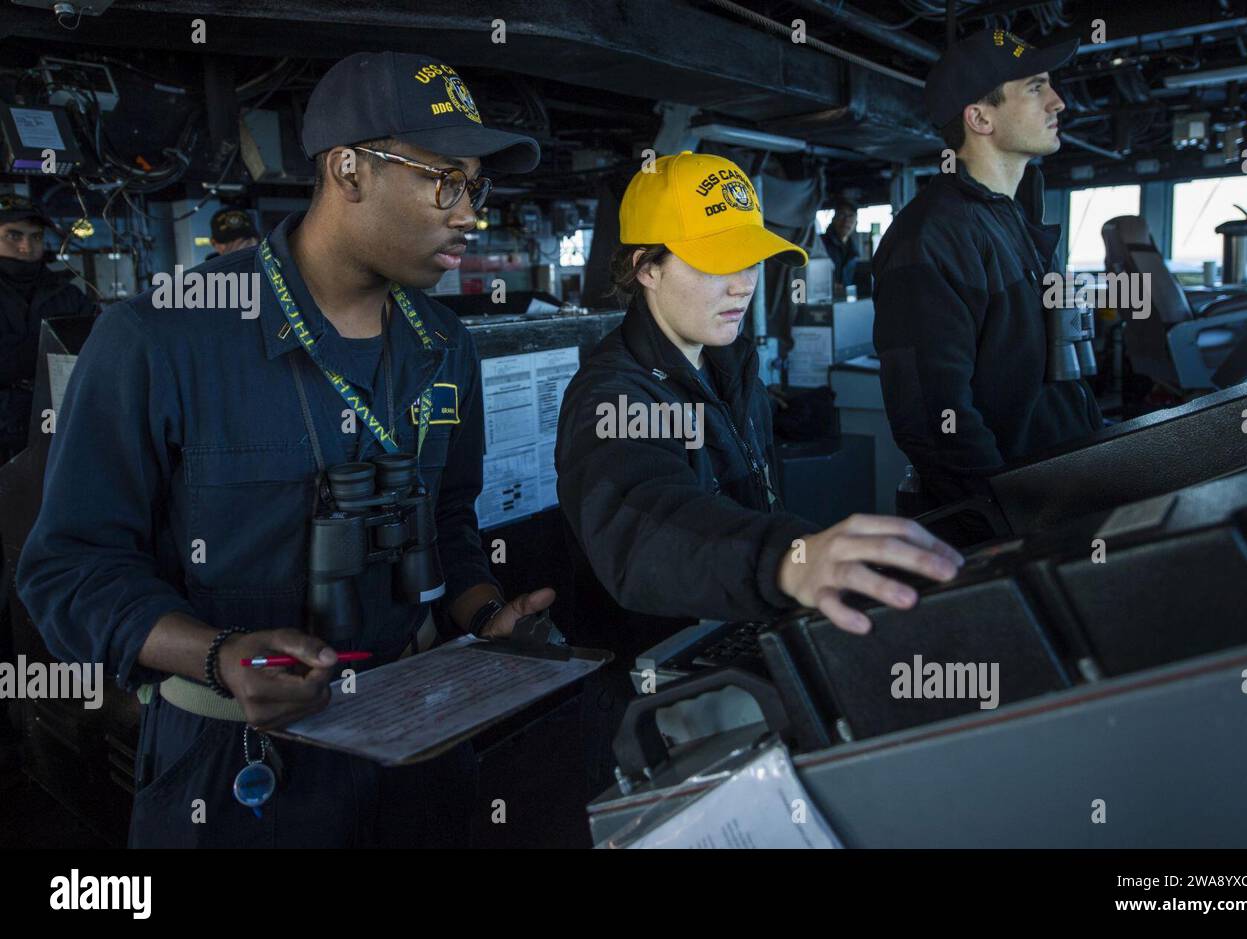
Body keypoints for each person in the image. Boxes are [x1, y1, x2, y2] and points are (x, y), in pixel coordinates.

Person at [18, 51, 549, 848]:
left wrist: (483, 614)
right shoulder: (162, 337)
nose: (469, 213)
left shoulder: (445, 345)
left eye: (477, 186)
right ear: (348, 170)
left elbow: (448, 517)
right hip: (234, 763)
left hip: (420, 737)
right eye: (445, 180)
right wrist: (220, 655)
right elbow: (69, 568)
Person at [555, 152, 963, 656]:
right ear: (647, 268)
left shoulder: (732, 363)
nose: (743, 283)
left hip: (737, 631)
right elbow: (644, 527)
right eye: (716, 262)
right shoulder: (613, 395)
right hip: (658, 666)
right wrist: (783, 560)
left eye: (749, 259)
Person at [872, 28, 1102, 534]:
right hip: (1014, 525)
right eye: (1036, 88)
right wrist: (1007, 521)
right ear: (980, 118)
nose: (1059, 102)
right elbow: (934, 420)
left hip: (1063, 493)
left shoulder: (1013, 217)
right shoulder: (931, 237)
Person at [0, 195, 97, 461]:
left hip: (60, 430)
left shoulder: (67, 294)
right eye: (13, 235)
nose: (26, 246)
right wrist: (48, 353)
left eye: (36, 237)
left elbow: (99, 351)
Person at [820, 197, 859, 288]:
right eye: (842, 214)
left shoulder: (854, 250)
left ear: (856, 223)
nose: (846, 220)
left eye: (851, 216)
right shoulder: (820, 244)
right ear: (834, 219)